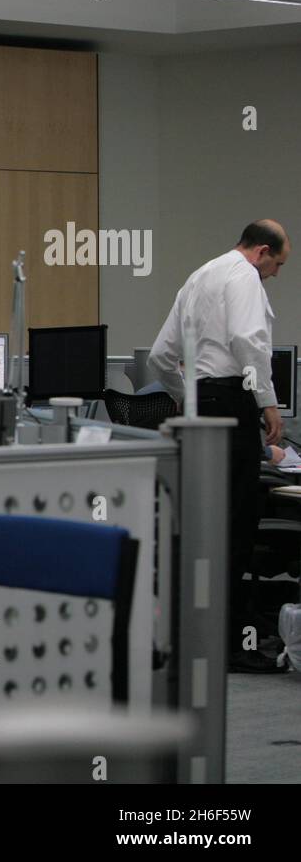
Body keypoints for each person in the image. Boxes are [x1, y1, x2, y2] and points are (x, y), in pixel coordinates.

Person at [149, 219, 290, 674]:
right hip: (232, 404)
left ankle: (188, 637)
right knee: (235, 529)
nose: (275, 275)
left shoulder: (199, 276)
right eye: (278, 265)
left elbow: (159, 356)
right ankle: (232, 645)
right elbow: (248, 340)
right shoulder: (244, 276)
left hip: (199, 413)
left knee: (197, 529)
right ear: (262, 251)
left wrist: (187, 394)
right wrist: (267, 403)